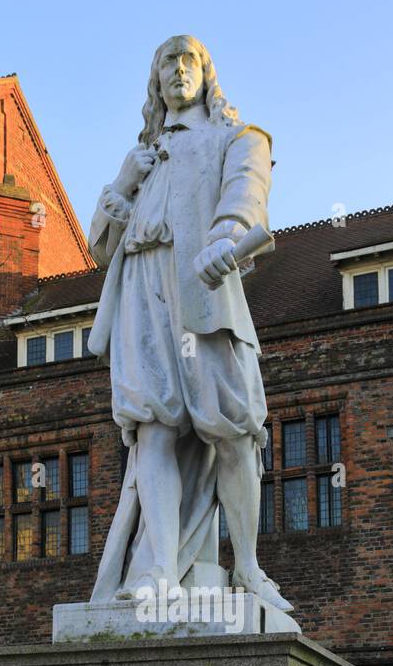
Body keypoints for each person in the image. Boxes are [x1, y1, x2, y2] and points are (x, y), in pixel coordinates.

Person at [86, 33, 293, 615]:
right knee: (152, 427)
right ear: (154, 81)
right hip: (141, 295)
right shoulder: (143, 158)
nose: (177, 70)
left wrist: (226, 237)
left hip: (200, 293)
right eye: (166, 63)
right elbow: (100, 248)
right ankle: (158, 571)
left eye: (188, 60)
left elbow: (247, 196)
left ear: (206, 73)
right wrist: (125, 181)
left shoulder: (236, 138)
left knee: (233, 429)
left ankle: (248, 566)